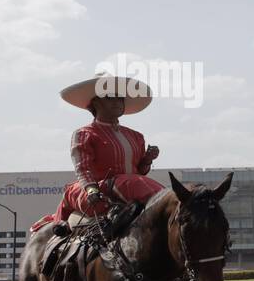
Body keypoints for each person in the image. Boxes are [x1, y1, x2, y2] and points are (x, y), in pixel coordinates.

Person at [34, 76, 164, 239]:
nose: (117, 102)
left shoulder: (136, 136)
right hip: (100, 187)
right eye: (110, 98)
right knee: (136, 183)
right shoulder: (84, 134)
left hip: (130, 186)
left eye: (120, 98)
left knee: (136, 182)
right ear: (95, 103)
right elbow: (83, 168)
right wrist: (91, 188)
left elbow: (139, 171)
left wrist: (147, 160)